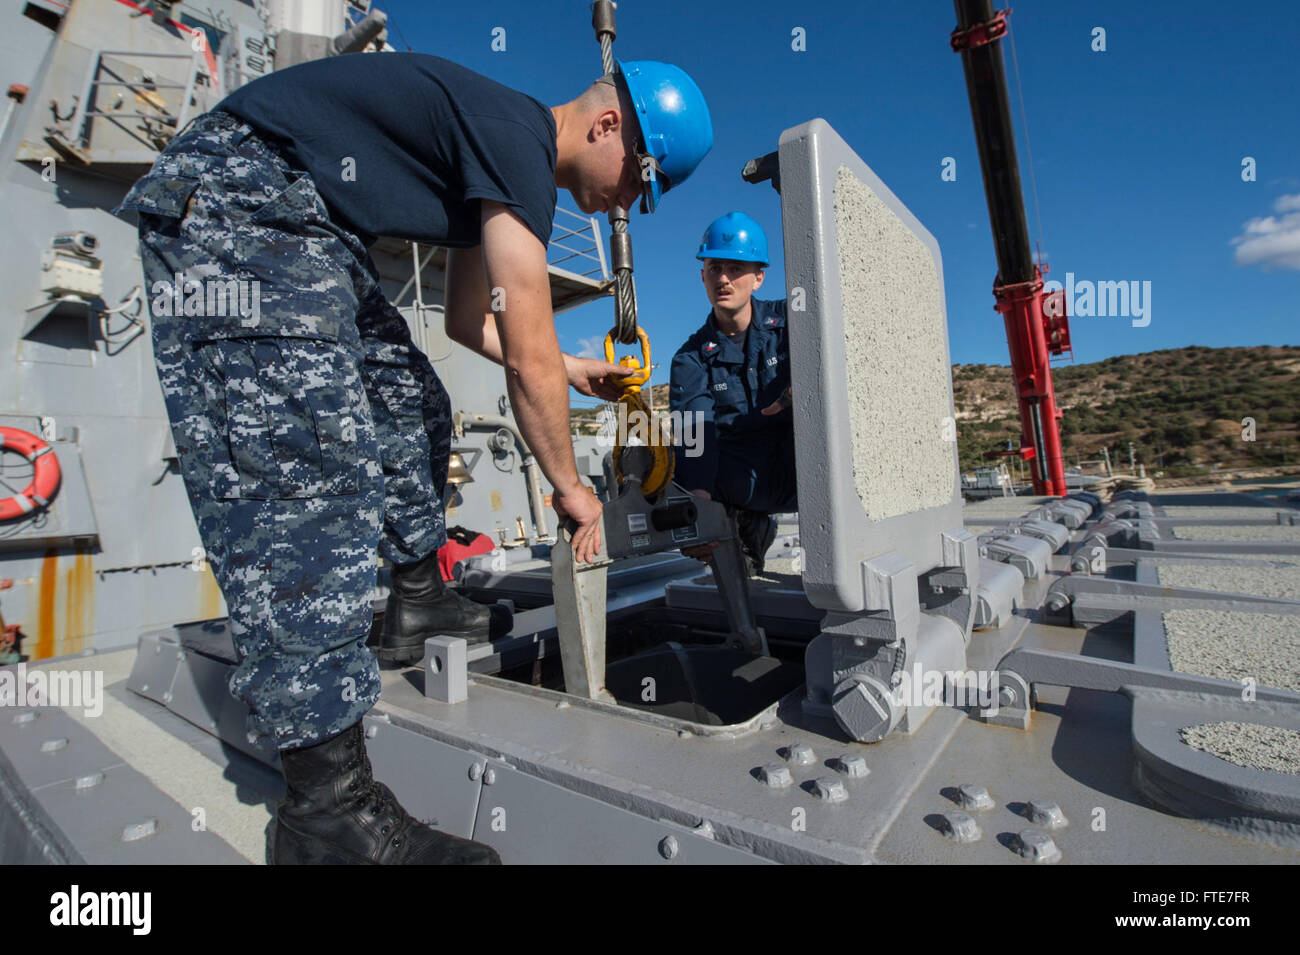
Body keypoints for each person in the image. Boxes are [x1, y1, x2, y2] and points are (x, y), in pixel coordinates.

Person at [117, 52, 712, 864]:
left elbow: (478, 323)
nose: (629, 206)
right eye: (639, 182)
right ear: (608, 127)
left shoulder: (500, 159)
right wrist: (572, 488)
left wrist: (575, 371)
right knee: (305, 470)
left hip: (310, 220)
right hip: (242, 199)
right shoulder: (517, 139)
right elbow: (524, 355)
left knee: (411, 400)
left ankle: (416, 597)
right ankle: (326, 814)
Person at [669, 212, 795, 575]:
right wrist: (698, 509)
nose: (723, 278)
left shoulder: (795, 320)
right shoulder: (690, 359)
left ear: (758, 277)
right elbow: (695, 438)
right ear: (702, 275)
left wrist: (815, 380)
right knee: (677, 459)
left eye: (736, 268)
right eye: (714, 267)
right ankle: (742, 534)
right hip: (744, 482)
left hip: (807, 469)